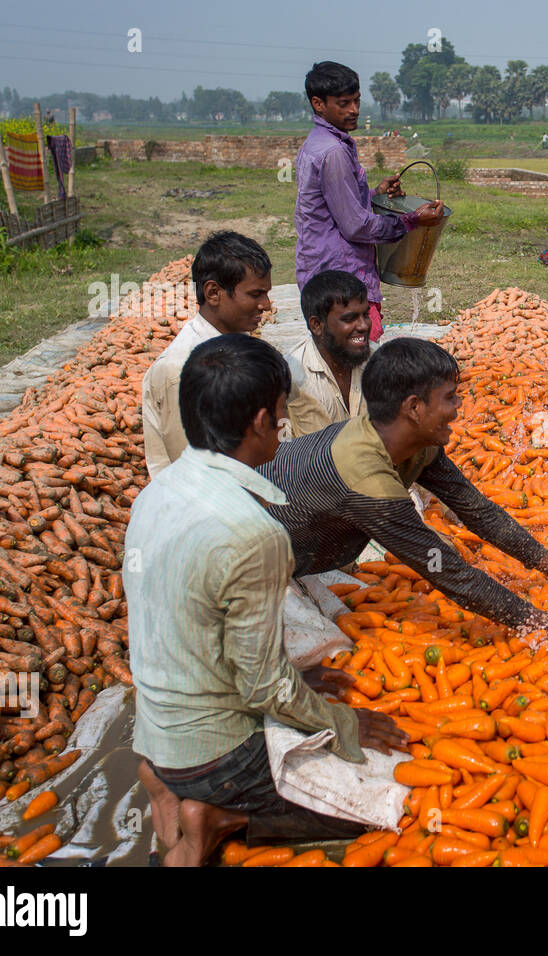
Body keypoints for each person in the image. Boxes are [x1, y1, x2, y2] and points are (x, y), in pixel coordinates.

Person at [127, 334, 407, 867]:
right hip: (217, 755)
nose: (284, 424)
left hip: (159, 730)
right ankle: (221, 813)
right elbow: (263, 687)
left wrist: (295, 684)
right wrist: (341, 723)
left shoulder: (157, 495)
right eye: (280, 413)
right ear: (259, 422)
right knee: (387, 795)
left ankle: (166, 781)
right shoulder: (253, 531)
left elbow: (194, 627)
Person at [260, 337, 548, 639]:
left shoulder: (408, 441)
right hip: (256, 560)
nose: (459, 407)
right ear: (414, 408)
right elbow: (447, 571)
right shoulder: (365, 479)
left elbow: (478, 511)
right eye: (450, 397)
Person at [295, 61, 444, 341]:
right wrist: (411, 221)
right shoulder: (333, 152)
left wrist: (373, 192)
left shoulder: (318, 143)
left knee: (334, 353)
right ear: (318, 103)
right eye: (344, 103)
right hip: (341, 277)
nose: (354, 110)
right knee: (357, 355)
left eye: (357, 100)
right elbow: (356, 227)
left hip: (321, 270)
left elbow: (335, 205)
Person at [140, 231, 273, 478]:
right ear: (213, 293)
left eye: (266, 293)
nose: (267, 305)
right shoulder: (180, 371)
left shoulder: (240, 342)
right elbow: (196, 470)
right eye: (256, 294)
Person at [285, 269, 374, 439]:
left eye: (365, 315)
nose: (363, 326)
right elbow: (316, 455)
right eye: (349, 319)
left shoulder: (377, 359)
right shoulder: (296, 378)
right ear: (317, 325)